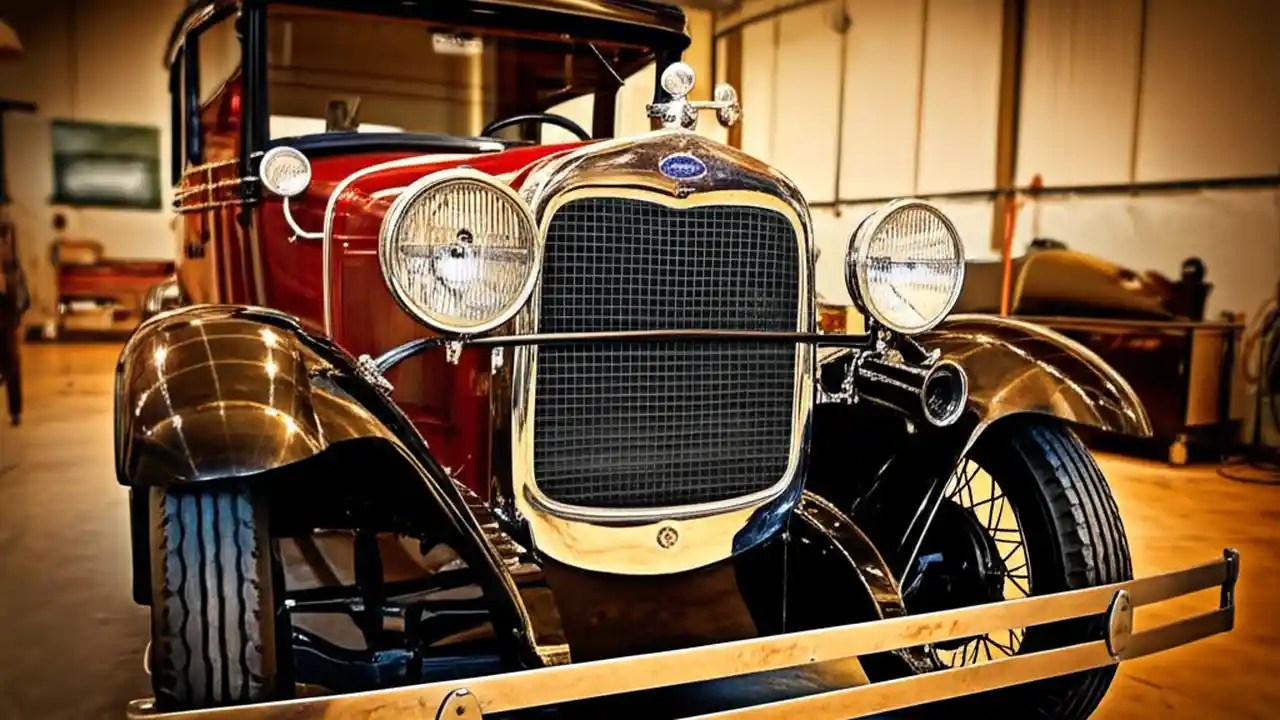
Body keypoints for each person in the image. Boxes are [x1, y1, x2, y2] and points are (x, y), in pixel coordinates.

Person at [0, 212, 28, 426]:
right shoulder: (7, 251)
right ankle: (15, 410)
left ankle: (16, 410)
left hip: (5, 311)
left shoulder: (7, 253)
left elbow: (18, 283)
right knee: (11, 363)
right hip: (7, 311)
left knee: (11, 363)